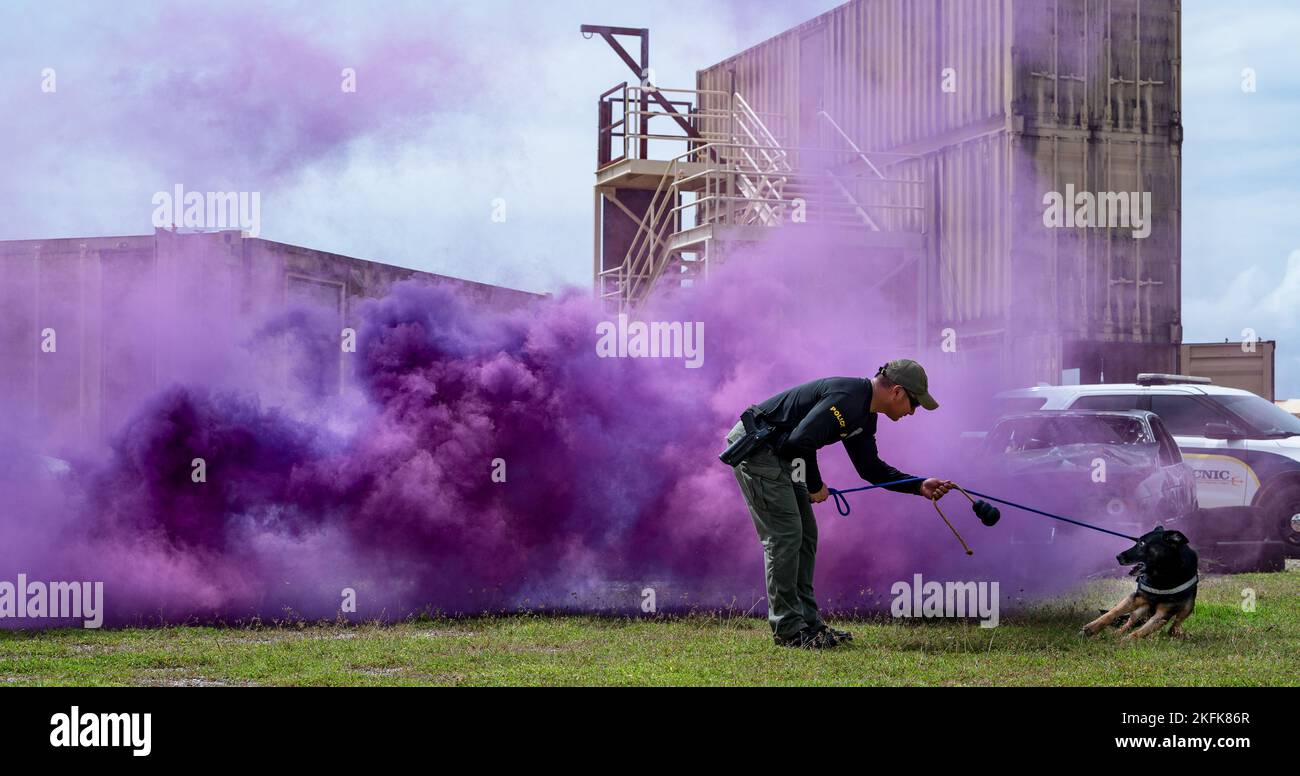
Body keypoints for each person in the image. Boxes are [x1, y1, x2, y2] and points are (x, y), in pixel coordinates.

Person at [723, 359, 954, 649]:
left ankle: (809, 624)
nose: (912, 411)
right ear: (897, 391)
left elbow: (870, 468)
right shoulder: (848, 400)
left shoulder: (866, 414)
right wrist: (816, 484)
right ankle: (789, 629)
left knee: (805, 535)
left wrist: (918, 485)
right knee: (786, 535)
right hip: (758, 449)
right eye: (914, 403)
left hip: (784, 455)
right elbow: (800, 440)